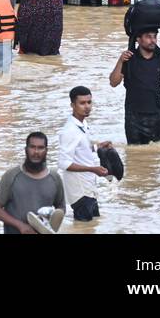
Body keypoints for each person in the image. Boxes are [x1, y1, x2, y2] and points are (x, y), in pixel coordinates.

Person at [111, 29, 160, 144]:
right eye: (148, 37)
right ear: (138, 39)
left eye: (154, 37)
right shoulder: (129, 59)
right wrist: (120, 61)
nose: (152, 40)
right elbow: (113, 82)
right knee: (136, 156)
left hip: (158, 114)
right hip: (134, 117)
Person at [0, 133, 67, 235]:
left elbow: (61, 208)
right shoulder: (11, 176)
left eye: (40, 148)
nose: (36, 152)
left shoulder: (54, 178)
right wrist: (20, 226)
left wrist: (50, 221)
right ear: (26, 149)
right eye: (32, 147)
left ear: (46, 151)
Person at [56, 86, 112, 224]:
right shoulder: (69, 130)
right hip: (79, 190)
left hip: (89, 186)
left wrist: (97, 147)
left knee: (90, 226)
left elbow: (81, 150)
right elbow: (64, 163)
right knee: (83, 226)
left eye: (89, 102)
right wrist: (93, 169)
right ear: (72, 105)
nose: (87, 107)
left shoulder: (82, 124)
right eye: (82, 103)